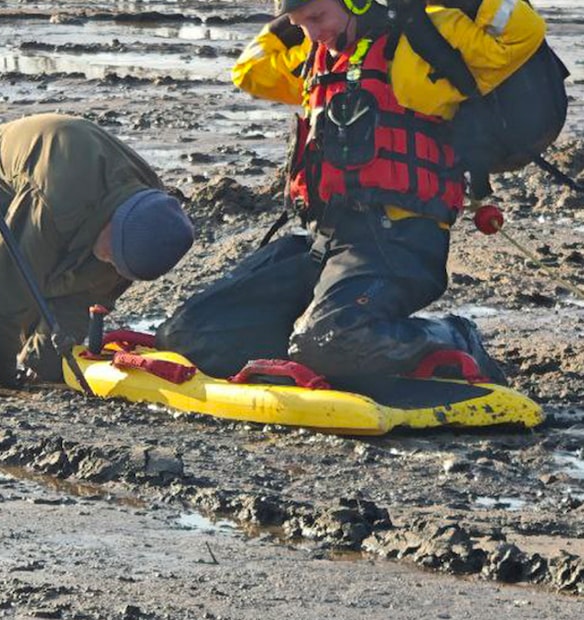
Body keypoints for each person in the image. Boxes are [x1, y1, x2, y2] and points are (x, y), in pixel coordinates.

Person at [155, 0, 546, 384]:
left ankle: (455, 338)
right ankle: (326, 348)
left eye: (318, 17)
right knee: (187, 335)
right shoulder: (315, 56)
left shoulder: (424, 41)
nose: (312, 34)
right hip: (324, 244)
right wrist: (290, 17)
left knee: (331, 340)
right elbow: (250, 70)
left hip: (400, 245)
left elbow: (520, 33)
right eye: (302, 24)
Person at [0, 113, 195, 390]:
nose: (114, 269)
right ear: (113, 225)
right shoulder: (57, 199)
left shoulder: (151, 215)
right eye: (115, 258)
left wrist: (46, 369)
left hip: (53, 210)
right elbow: (4, 298)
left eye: (123, 270)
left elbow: (82, 302)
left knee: (52, 363)